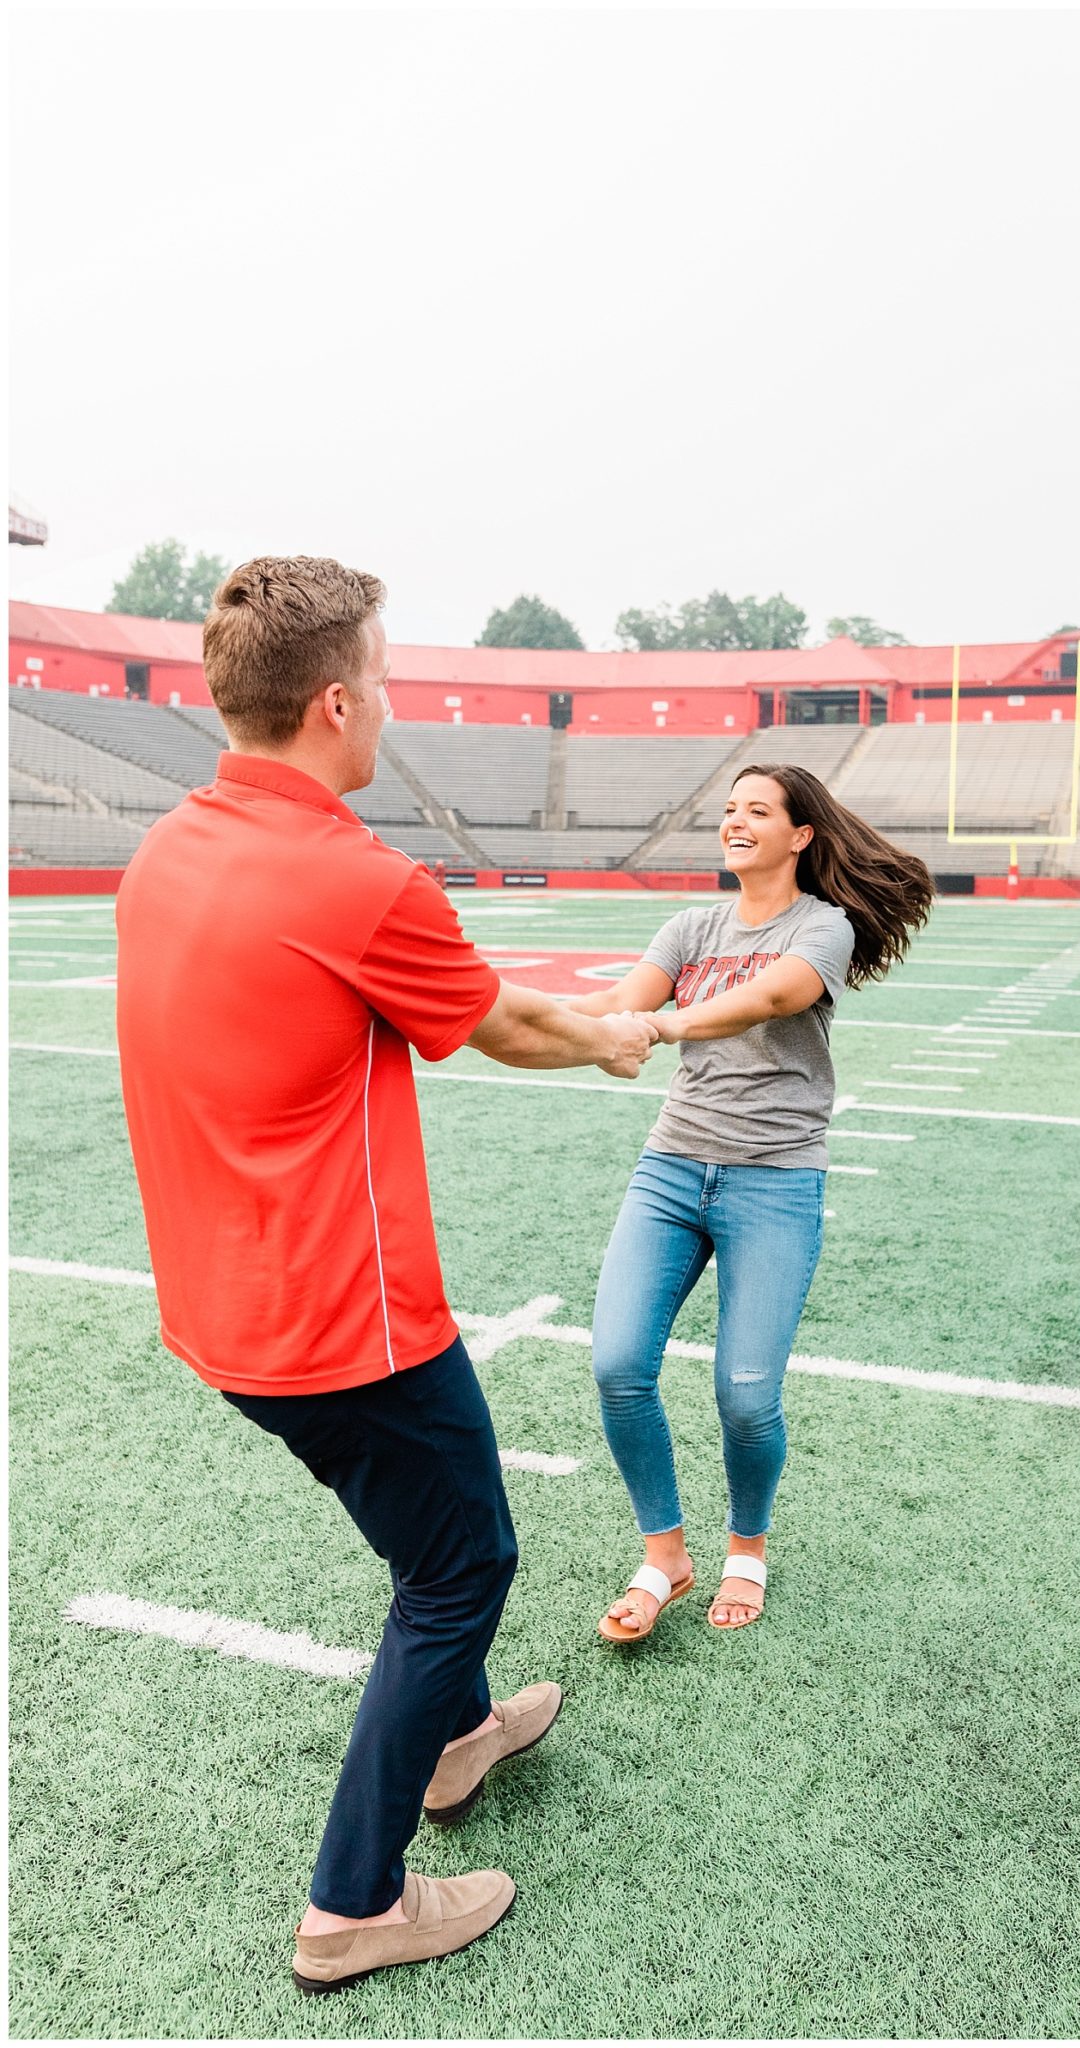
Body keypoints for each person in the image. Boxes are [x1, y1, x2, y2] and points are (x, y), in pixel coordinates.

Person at [115, 557, 657, 1995]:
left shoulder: (169, 847)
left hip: (225, 1316)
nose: (395, 713)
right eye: (390, 685)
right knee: (463, 1558)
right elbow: (509, 1026)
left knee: (423, 1538)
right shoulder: (354, 876)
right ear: (336, 702)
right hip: (343, 1322)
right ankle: (352, 1904)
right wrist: (614, 1036)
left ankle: (458, 1740)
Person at [565, 762, 933, 1640]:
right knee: (618, 1366)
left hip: (774, 1178)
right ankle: (664, 1556)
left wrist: (657, 1027)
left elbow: (770, 997)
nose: (734, 822)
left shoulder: (824, 927)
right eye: (728, 810)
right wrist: (480, 1007)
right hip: (671, 1170)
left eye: (755, 811)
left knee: (744, 1394)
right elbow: (615, 1003)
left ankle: (745, 1549)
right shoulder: (691, 925)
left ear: (799, 834)